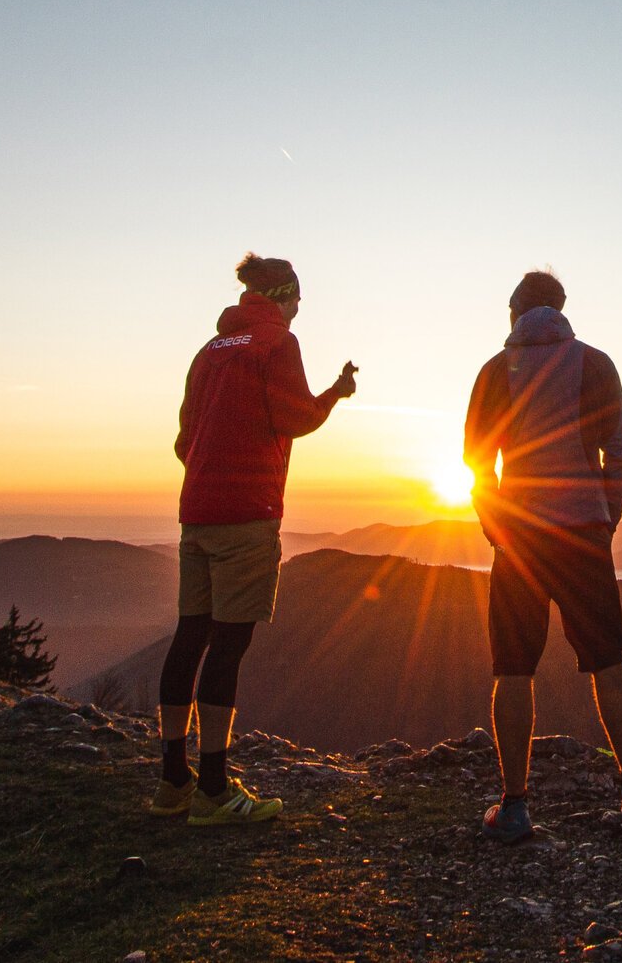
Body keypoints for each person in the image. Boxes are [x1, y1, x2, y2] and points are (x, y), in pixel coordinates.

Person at [152, 252, 357, 822]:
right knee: (229, 643)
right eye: (298, 300)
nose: (299, 311)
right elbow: (294, 418)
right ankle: (214, 789)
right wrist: (334, 395)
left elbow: (182, 440)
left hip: (196, 511)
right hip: (247, 514)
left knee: (188, 636)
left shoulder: (210, 351)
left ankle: (173, 781)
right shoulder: (277, 344)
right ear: (284, 295)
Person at [463, 270, 622, 842]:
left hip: (519, 537)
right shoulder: (596, 364)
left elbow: (475, 463)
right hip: (583, 536)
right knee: (607, 658)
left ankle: (515, 806)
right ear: (562, 308)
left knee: (513, 667)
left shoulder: (496, 369)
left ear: (515, 310)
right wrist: (604, 516)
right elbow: (620, 451)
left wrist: (496, 527)